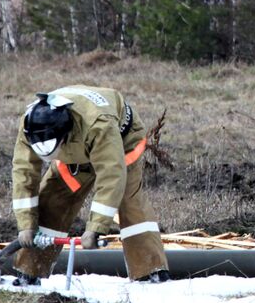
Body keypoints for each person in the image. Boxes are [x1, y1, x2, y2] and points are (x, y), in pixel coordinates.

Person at [10, 86, 169, 284]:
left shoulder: (99, 125)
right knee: (54, 197)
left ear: (65, 134)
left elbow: (111, 176)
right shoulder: (30, 126)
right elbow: (24, 174)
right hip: (74, 149)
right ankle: (29, 273)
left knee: (129, 200)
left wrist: (96, 228)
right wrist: (25, 225)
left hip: (121, 139)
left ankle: (150, 272)